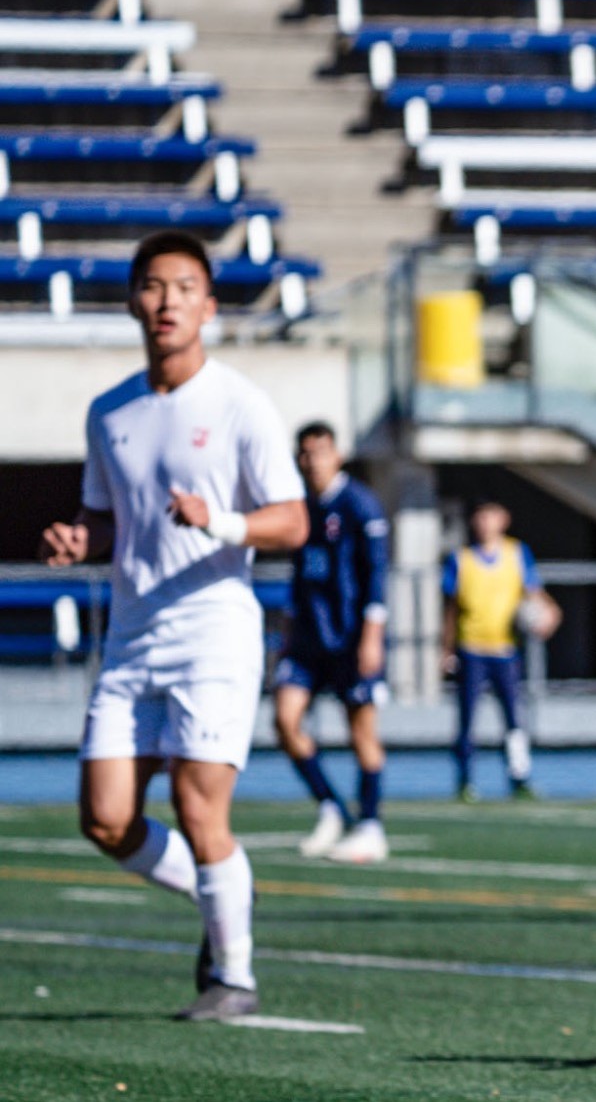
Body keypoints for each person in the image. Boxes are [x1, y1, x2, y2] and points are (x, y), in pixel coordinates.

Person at [42, 231, 308, 1021]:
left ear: (209, 307)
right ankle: (225, 898)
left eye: (183, 288)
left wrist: (220, 521)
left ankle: (235, 976)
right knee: (105, 818)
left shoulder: (240, 404)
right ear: (133, 301)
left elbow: (292, 522)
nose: (166, 302)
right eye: (153, 287)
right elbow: (105, 520)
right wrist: (77, 541)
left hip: (215, 629)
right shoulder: (110, 411)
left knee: (200, 811)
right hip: (131, 635)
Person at [274, 422, 393, 864]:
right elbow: (300, 575)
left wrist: (372, 636)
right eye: (305, 453)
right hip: (308, 637)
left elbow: (376, 574)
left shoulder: (360, 504)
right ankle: (330, 807)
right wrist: (288, 630)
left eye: (321, 451)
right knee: (286, 721)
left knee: (361, 731)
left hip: (350, 637)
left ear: (337, 455)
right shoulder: (300, 507)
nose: (313, 461)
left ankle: (371, 825)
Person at [441, 501, 561, 801]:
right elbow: (451, 609)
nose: (485, 523)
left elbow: (534, 593)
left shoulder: (517, 554)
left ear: (503, 520)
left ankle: (519, 776)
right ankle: (465, 780)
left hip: (505, 650)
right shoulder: (462, 559)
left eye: (490, 516)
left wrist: (549, 612)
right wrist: (446, 648)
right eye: (480, 516)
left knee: (513, 718)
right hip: (471, 649)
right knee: (467, 719)